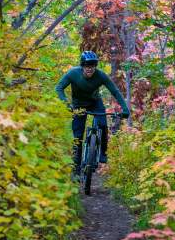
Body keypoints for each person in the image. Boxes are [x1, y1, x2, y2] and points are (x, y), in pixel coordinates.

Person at [54, 51, 130, 180]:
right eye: (87, 65)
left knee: (102, 124)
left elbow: (115, 91)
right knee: (78, 137)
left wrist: (125, 108)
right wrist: (67, 104)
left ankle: (103, 153)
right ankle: (76, 170)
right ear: (82, 66)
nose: (90, 68)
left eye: (93, 65)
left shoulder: (101, 75)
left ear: (95, 66)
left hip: (95, 103)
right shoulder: (73, 73)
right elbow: (59, 88)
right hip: (78, 106)